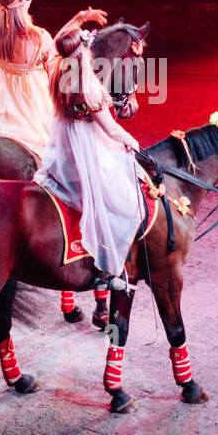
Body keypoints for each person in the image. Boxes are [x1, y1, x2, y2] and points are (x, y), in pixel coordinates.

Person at [34, 28, 142, 292]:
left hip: (63, 147)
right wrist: (132, 142)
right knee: (126, 204)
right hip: (86, 148)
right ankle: (110, 266)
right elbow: (112, 130)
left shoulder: (55, 72)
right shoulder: (89, 88)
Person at [0, 0, 106, 158]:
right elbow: (61, 45)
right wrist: (80, 19)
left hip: (0, 115)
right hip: (34, 115)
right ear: (24, 3)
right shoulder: (38, 38)